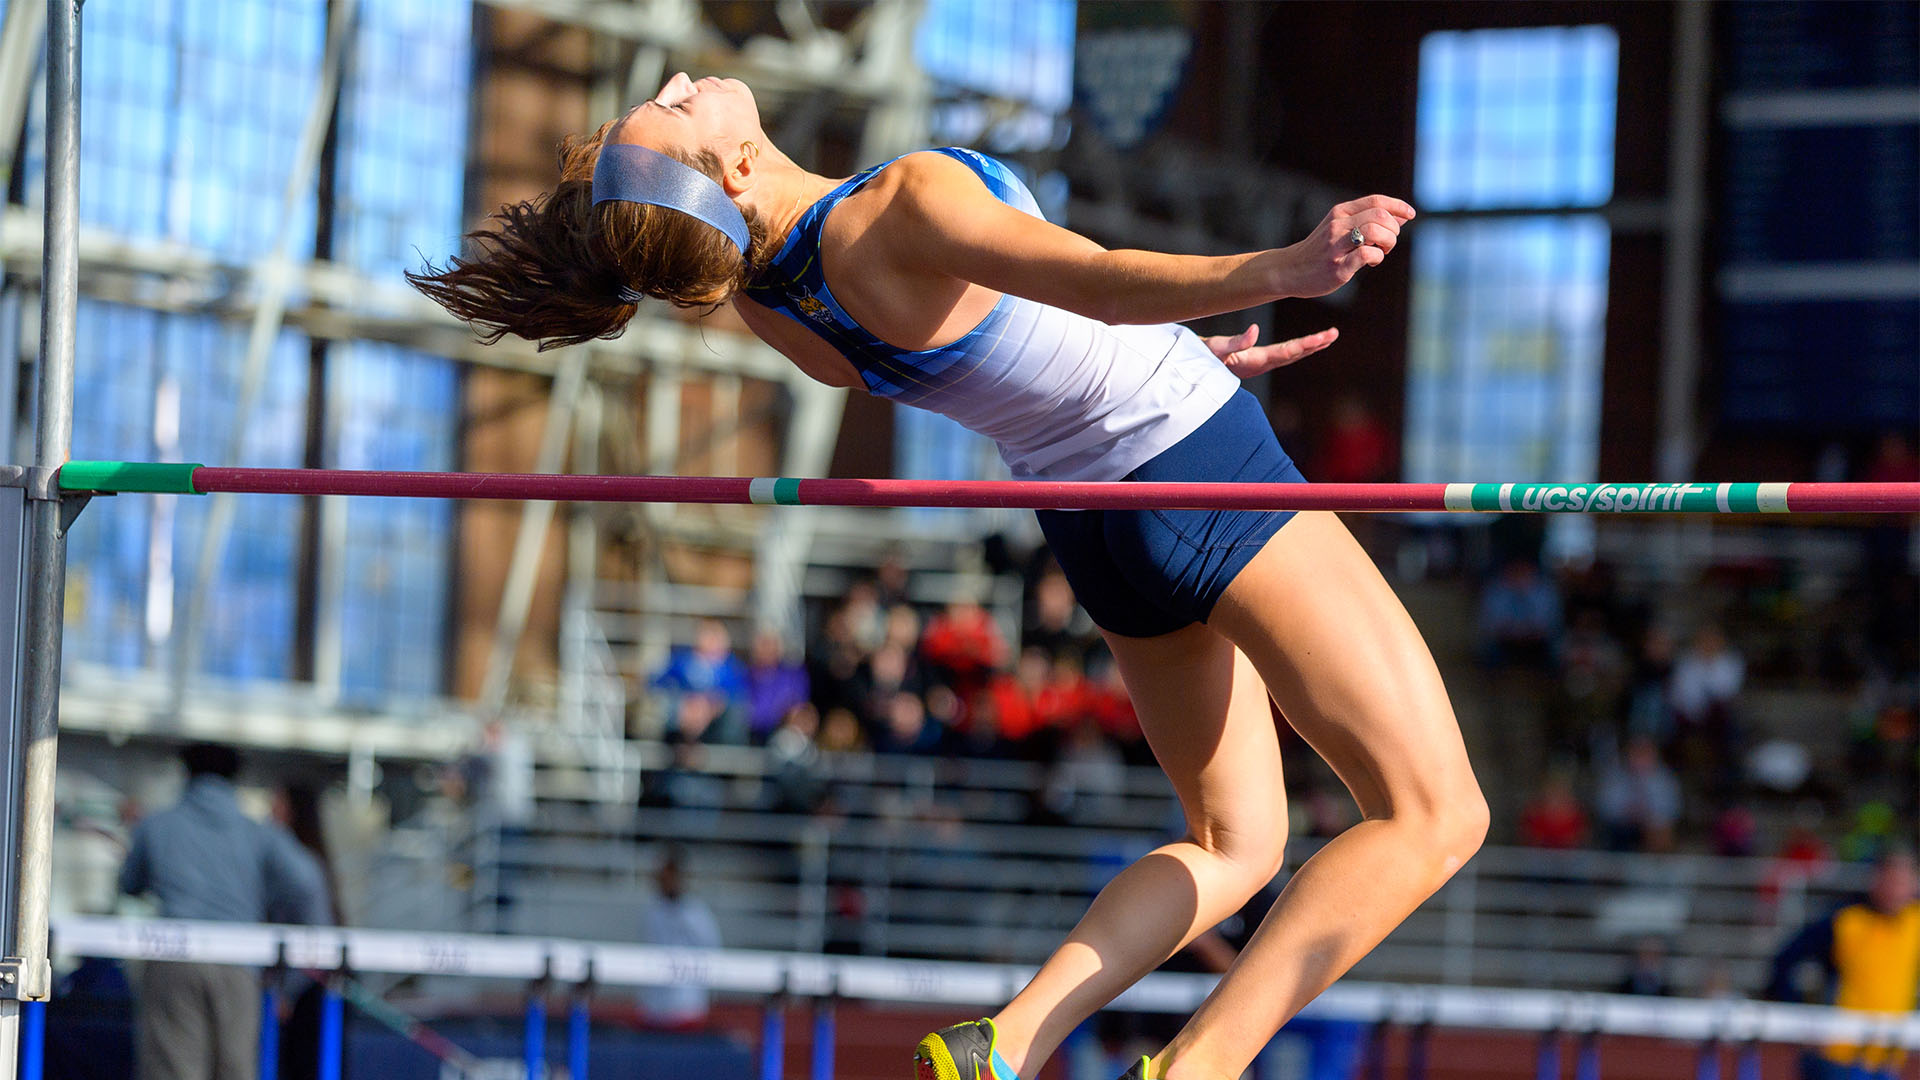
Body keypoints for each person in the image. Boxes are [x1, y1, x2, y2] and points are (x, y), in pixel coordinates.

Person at [409, 72, 1486, 1080]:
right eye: (674, 106)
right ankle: (1202, 1067)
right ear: (734, 169)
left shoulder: (770, 299)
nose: (682, 83)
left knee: (1236, 845)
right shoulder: (902, 203)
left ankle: (1004, 1046)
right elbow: (1100, 289)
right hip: (1189, 463)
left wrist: (1177, 359)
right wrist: (1280, 270)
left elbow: (1011, 358)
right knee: (1435, 815)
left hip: (1094, 522)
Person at [118, 743, 329, 1080]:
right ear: (234, 778)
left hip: (174, 959)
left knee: (173, 1069)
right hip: (239, 964)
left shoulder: (156, 825)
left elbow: (129, 884)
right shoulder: (259, 833)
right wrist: (292, 979)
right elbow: (308, 883)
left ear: (187, 774)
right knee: (235, 1070)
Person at [1765, 849, 1919, 1078]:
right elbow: (1786, 958)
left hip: (1885, 1059)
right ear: (1875, 881)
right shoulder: (1846, 921)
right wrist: (1796, 1012)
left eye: (1902, 882)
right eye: (1889, 880)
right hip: (1837, 1055)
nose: (1895, 889)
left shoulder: (1914, 923)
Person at [636, 845, 724, 1028]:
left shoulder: (697, 914)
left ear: (679, 877)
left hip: (687, 1008)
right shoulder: (651, 911)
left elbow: (713, 954)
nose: (664, 880)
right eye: (661, 876)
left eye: (669, 876)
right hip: (655, 1009)